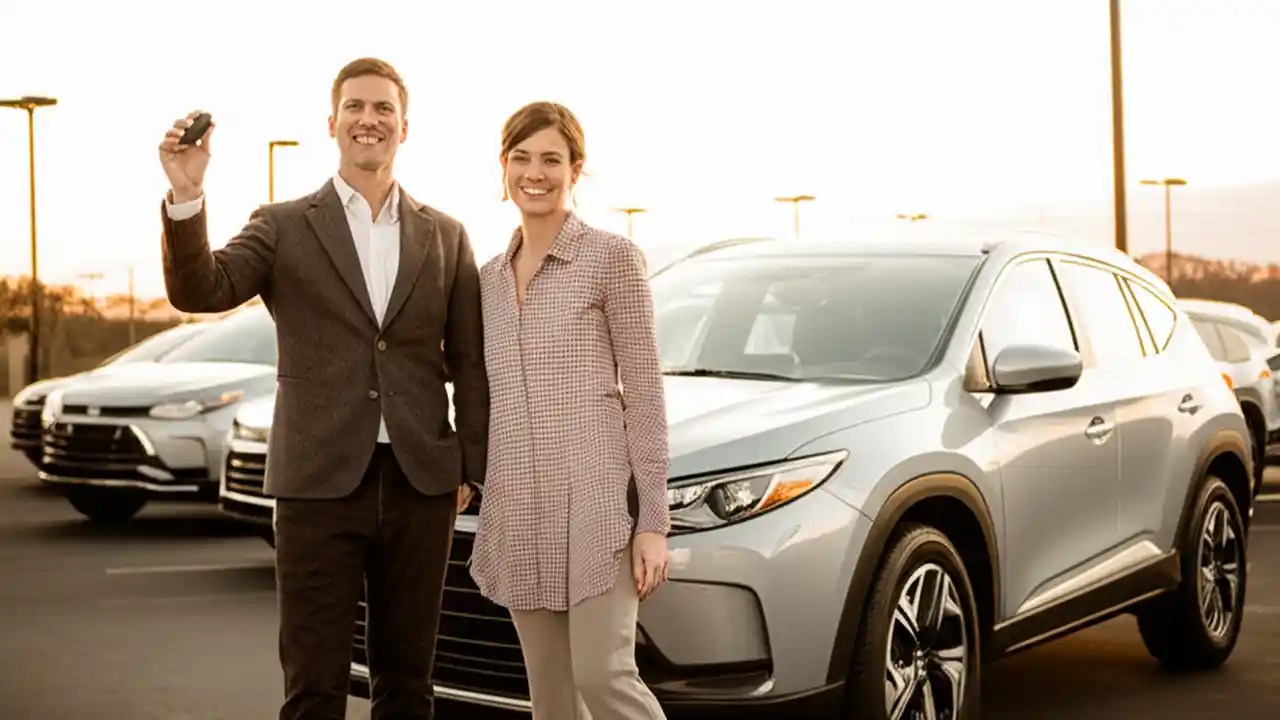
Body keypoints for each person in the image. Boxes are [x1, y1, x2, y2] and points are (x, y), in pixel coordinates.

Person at [155, 57, 488, 720]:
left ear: (404, 126)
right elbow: (201, 289)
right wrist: (186, 195)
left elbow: (471, 361)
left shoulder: (446, 235)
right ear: (332, 123)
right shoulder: (282, 225)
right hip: (316, 486)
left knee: (408, 686)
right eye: (356, 107)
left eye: (383, 108)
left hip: (422, 485)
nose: (370, 119)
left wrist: (472, 469)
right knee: (314, 686)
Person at [468, 101, 670, 720]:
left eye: (552, 159)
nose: (537, 172)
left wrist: (653, 521)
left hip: (597, 505)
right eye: (522, 158)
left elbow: (645, 393)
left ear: (575, 170)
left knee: (603, 674)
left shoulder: (611, 258)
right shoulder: (486, 281)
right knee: (552, 701)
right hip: (521, 505)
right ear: (503, 167)